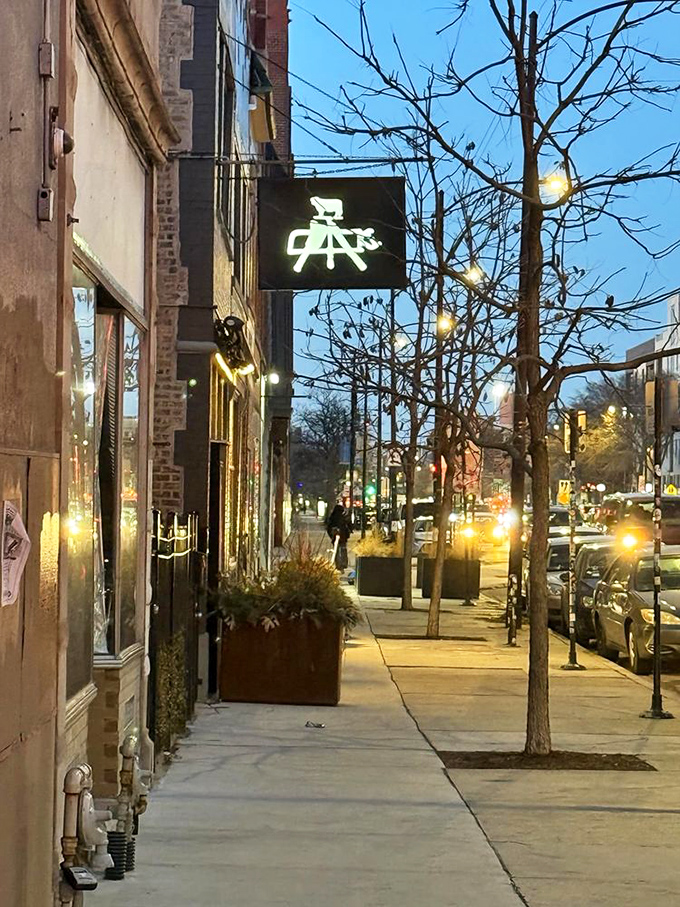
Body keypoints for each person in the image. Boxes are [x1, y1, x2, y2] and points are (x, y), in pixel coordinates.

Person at [326, 504, 352, 571]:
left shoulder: (332, 518)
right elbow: (348, 527)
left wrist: (331, 535)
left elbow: (328, 528)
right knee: (343, 549)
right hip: (343, 537)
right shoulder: (343, 518)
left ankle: (338, 564)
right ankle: (344, 563)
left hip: (335, 537)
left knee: (336, 551)